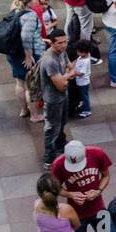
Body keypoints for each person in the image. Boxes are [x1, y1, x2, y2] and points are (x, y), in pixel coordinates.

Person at [51, 140, 115, 232]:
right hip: (76, 215)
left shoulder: (97, 154)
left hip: (99, 210)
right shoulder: (58, 165)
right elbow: (56, 188)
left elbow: (105, 175)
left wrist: (98, 191)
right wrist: (71, 194)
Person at [40, 27, 77, 168]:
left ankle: (61, 144)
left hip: (63, 96)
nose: (64, 45)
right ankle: (49, 158)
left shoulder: (62, 52)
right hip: (53, 100)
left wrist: (66, 76)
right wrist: (68, 76)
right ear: (52, 43)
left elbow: (71, 67)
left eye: (65, 42)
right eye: (60, 43)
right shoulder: (50, 61)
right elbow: (61, 85)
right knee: (52, 128)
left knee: (62, 123)